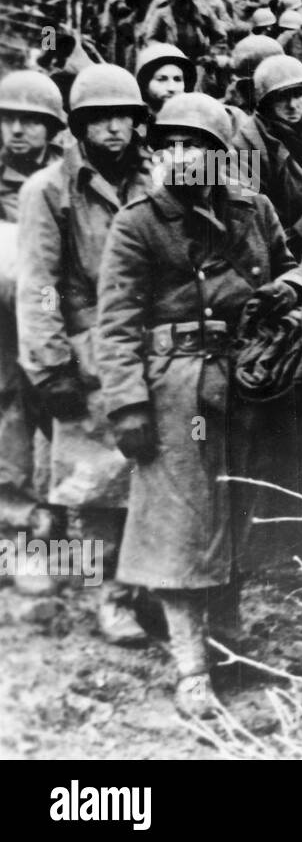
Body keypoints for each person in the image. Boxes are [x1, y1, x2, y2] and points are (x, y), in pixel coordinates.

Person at [95, 92, 301, 718]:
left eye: (201, 147)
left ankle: (230, 641)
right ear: (158, 151)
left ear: (220, 157)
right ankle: (190, 665)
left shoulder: (254, 209)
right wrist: (127, 405)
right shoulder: (138, 222)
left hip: (243, 382)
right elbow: (116, 323)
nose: (185, 157)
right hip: (175, 386)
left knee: (236, 515)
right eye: (173, 145)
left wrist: (283, 292)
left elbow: (296, 268)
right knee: (181, 527)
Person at [16, 65, 153, 644]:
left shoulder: (160, 180)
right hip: (90, 350)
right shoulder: (49, 190)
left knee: (152, 477)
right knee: (99, 485)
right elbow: (40, 284)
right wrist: (51, 366)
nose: (114, 129)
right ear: (78, 127)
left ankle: (146, 586)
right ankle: (110, 597)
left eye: (123, 116)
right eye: (99, 120)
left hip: (154, 346)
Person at [0, 71, 64, 592]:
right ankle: (18, 535)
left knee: (58, 420)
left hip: (53, 317)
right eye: (8, 120)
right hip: (2, 323)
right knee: (9, 416)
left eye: (30, 122)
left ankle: (58, 536)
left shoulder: (68, 178)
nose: (17, 131)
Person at [231, 53, 302, 255]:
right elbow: (251, 207)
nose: (292, 105)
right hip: (279, 245)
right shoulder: (246, 144)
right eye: (282, 97)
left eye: (298, 94)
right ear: (265, 101)